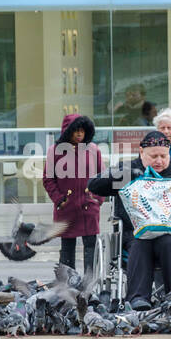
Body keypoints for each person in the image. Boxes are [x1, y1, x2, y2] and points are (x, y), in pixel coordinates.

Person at [87, 129, 171, 310]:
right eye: (153, 156)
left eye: (163, 156)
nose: (159, 161)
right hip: (135, 234)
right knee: (141, 243)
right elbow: (93, 185)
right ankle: (138, 299)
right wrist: (127, 175)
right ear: (141, 153)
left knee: (167, 242)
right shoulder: (128, 169)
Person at [42, 113, 104, 273]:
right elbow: (48, 179)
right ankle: (67, 286)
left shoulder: (93, 150)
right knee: (67, 248)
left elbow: (102, 177)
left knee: (91, 247)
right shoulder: (55, 151)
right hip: (66, 207)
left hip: (88, 207)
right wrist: (59, 199)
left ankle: (90, 285)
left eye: (82, 130)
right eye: (75, 130)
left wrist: (97, 199)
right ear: (67, 131)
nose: (79, 134)